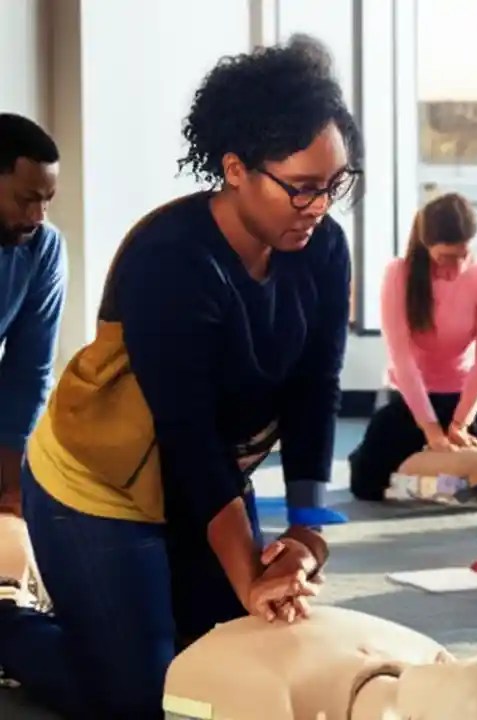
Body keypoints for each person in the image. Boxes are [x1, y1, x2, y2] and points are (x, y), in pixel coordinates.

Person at [0, 35, 362, 719]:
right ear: (235, 168)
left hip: (209, 476)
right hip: (101, 485)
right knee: (142, 697)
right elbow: (186, 431)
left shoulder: (321, 250)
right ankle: (9, 620)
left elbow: (319, 387)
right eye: (303, 187)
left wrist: (309, 532)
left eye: (335, 184)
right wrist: (251, 573)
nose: (320, 206)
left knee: (226, 664)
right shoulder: (170, 258)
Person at [348, 192, 477, 502]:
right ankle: (375, 454)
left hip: (463, 395)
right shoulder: (399, 274)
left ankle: (433, 480)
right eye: (445, 258)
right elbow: (402, 359)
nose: (455, 267)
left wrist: (460, 424)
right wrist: (432, 432)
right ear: (427, 247)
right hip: (409, 394)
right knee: (366, 486)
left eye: (462, 255)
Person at [0, 113, 66, 517]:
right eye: (26, 199)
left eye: (47, 200)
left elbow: (29, 370)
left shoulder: (42, 248)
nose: (38, 215)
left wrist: (11, 488)